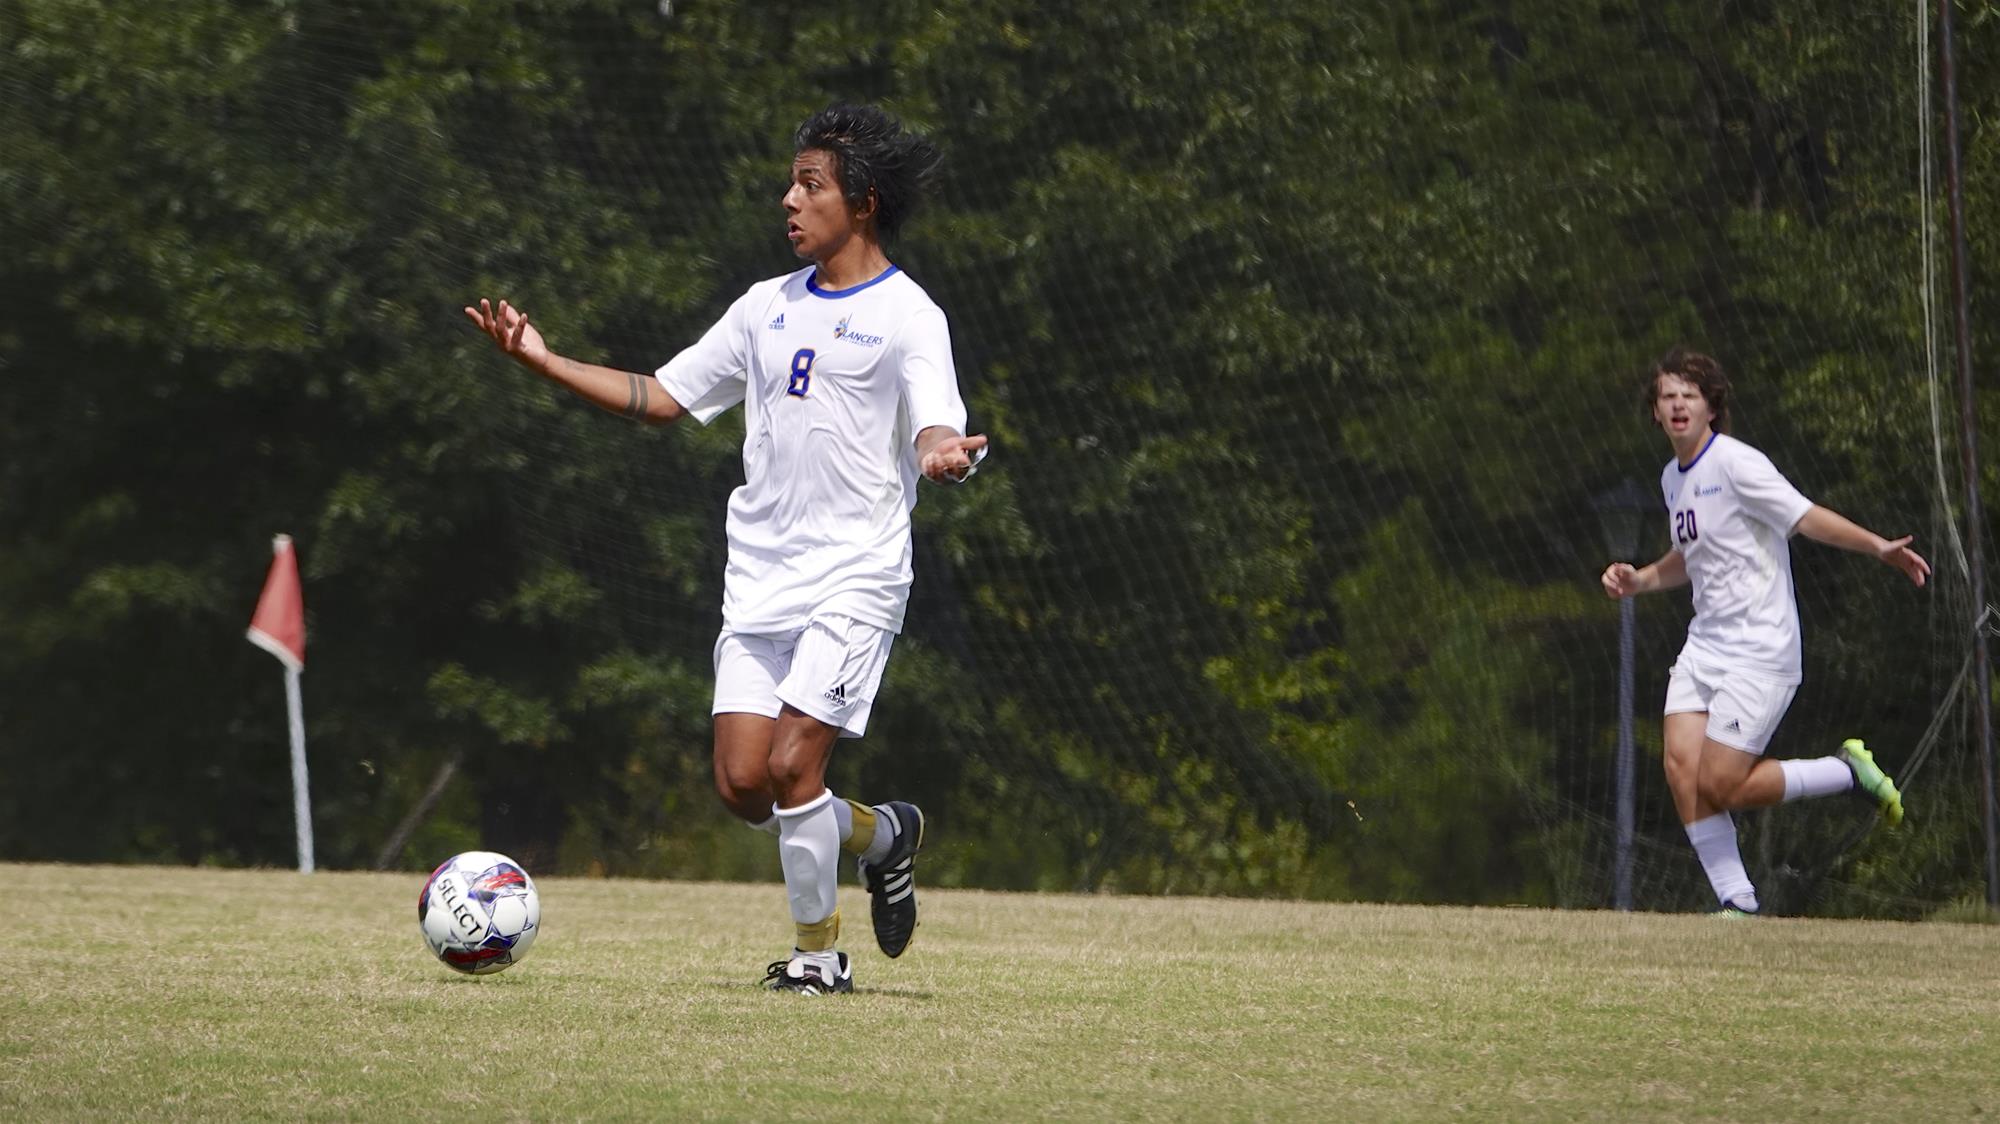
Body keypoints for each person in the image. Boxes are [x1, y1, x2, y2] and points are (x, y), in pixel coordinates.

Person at [465, 104, 986, 991]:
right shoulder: (763, 309)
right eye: (791, 182)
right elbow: (663, 396)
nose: (789, 199)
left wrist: (939, 454)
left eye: (810, 184)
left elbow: (938, 421)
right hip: (761, 579)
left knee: (794, 767)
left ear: (860, 202)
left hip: (856, 576)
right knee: (746, 785)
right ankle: (886, 835)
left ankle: (818, 958)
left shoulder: (909, 316)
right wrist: (543, 361)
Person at [1600, 348, 1927, 917]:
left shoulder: (1735, 463)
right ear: (1654, 411)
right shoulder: (1671, 478)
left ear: (1711, 407)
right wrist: (1639, 580)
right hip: (1706, 645)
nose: (1678, 405)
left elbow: (1803, 516)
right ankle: (1738, 902)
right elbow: (1688, 555)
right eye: (1667, 396)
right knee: (1681, 768)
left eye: (1690, 395)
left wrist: (1878, 546)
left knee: (1721, 785)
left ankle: (1843, 772)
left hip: (1761, 647)